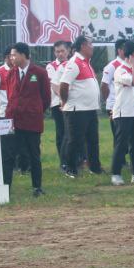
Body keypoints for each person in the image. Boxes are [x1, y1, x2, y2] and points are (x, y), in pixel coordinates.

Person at [6, 41, 52, 195]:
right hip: (14, 121)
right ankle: (6, 188)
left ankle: (37, 187)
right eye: (10, 56)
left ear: (23, 55)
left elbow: (46, 98)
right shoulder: (11, 73)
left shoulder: (39, 72)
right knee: (10, 155)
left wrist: (35, 110)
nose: (11, 58)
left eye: (14, 55)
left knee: (34, 155)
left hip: (32, 121)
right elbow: (10, 95)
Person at [58, 35, 101, 177]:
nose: (92, 47)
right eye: (90, 44)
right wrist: (64, 101)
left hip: (90, 108)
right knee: (75, 140)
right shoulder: (74, 62)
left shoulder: (86, 62)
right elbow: (64, 84)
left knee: (93, 140)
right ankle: (70, 168)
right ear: (83, 46)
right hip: (77, 109)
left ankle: (95, 167)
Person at [108, 41, 134, 186]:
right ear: (132, 55)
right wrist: (133, 65)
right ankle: (116, 174)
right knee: (121, 145)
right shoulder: (121, 70)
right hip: (123, 113)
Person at [46, 40, 71, 172]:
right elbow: (55, 85)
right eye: (57, 51)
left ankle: (76, 159)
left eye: (62, 51)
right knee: (62, 132)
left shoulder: (72, 64)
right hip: (57, 103)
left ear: (68, 51)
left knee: (72, 132)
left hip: (72, 104)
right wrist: (63, 99)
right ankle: (63, 162)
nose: (60, 54)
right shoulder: (51, 66)